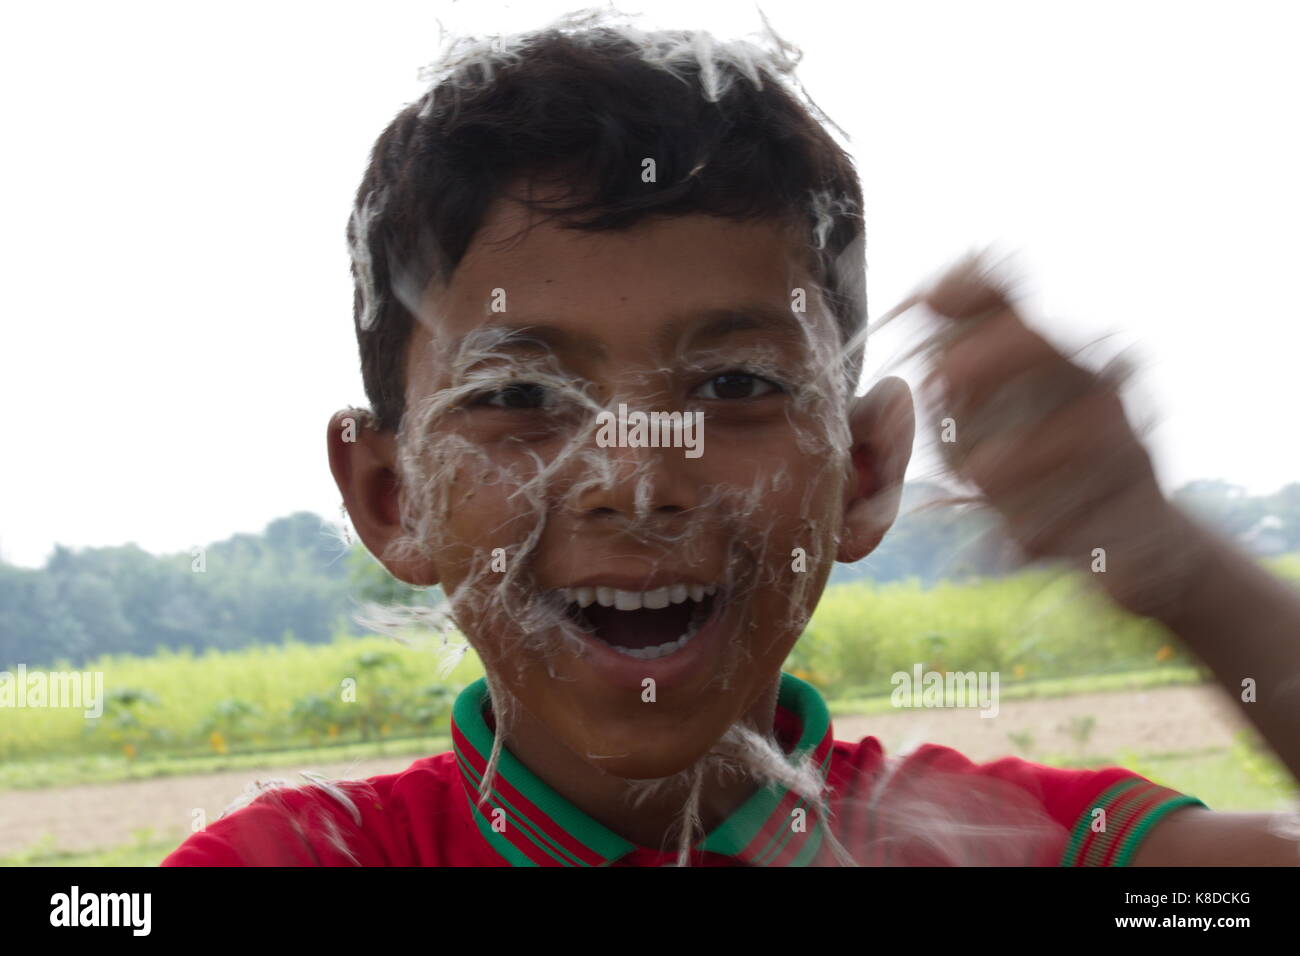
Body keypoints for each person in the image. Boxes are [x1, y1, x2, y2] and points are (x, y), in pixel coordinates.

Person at [163, 9, 1300, 866]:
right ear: (389, 496)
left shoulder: (1008, 847)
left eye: (735, 382)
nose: (638, 479)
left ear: (861, 470)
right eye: (518, 399)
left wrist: (1176, 568)